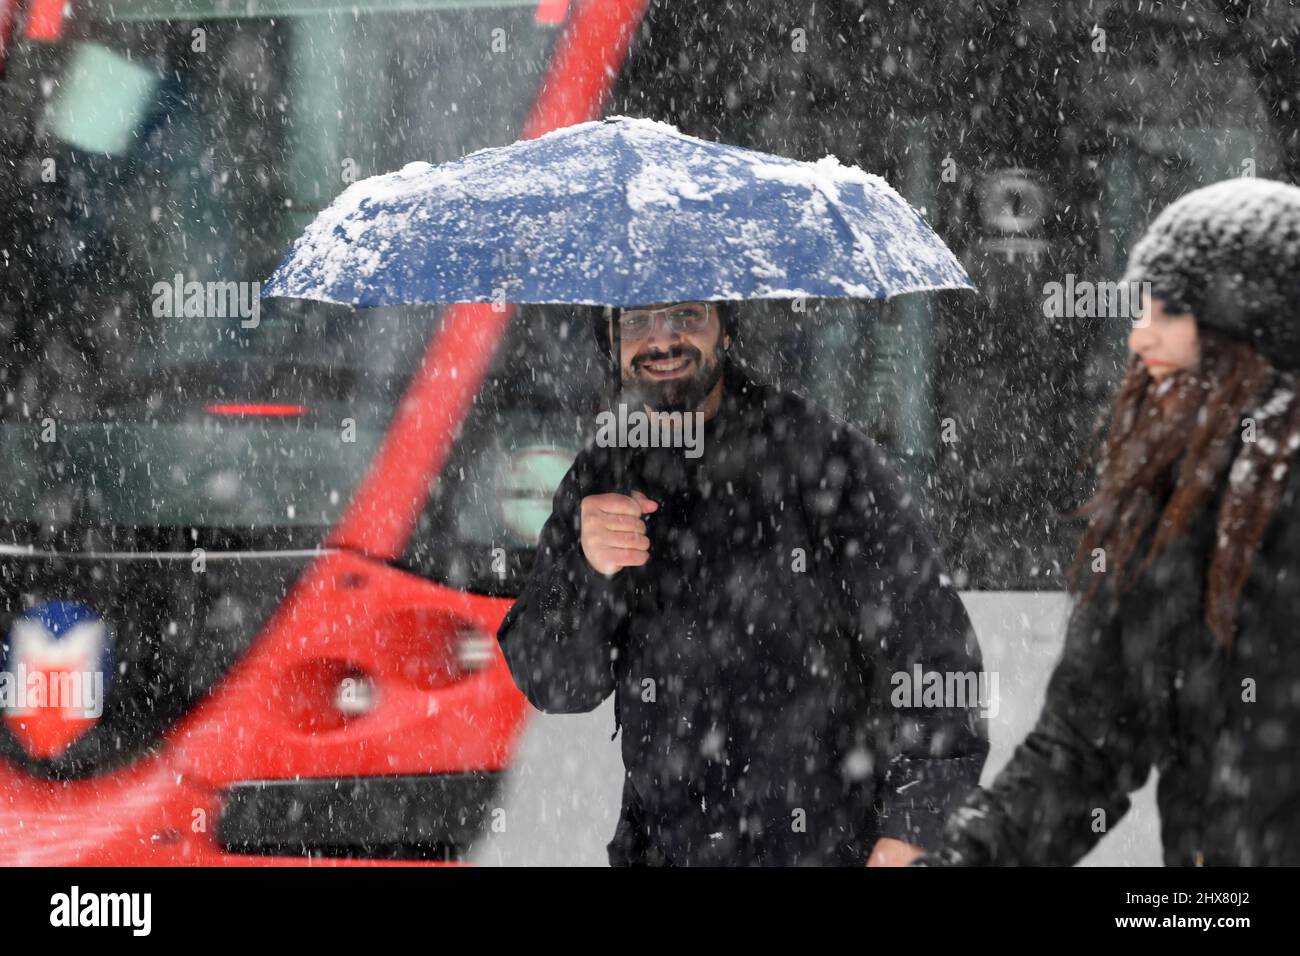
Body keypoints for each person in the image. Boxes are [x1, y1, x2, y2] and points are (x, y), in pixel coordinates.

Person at [496, 297, 988, 865]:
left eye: (686, 315)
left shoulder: (825, 460)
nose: (660, 341)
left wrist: (910, 834)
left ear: (726, 330)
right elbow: (556, 683)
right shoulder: (602, 474)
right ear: (611, 342)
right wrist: (586, 570)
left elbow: (941, 668)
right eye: (635, 321)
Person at [918, 177, 1300, 866]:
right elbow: (1086, 744)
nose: (1139, 332)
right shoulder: (1169, 509)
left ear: (1244, 324)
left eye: (1167, 309)